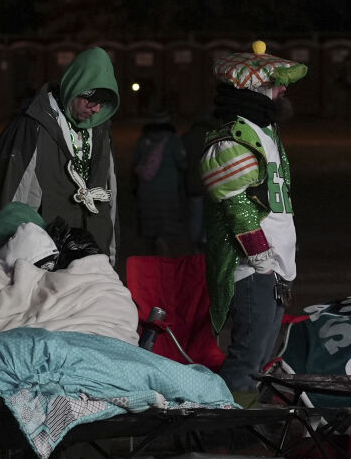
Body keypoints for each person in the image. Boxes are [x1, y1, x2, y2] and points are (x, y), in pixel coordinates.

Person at [199, 42, 307, 395]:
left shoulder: (266, 132)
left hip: (275, 266)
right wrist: (260, 255)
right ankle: (224, 432)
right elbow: (234, 203)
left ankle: (246, 428)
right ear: (256, 88)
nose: (284, 89)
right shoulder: (233, 139)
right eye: (276, 83)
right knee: (247, 360)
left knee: (259, 360)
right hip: (252, 268)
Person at [0, 45, 121, 262]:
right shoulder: (32, 126)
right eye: (91, 100)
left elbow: (111, 193)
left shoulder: (100, 131)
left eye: (102, 103)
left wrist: (109, 253)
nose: (96, 109)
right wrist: (14, 257)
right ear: (74, 87)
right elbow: (14, 199)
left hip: (92, 253)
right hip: (45, 252)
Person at [130, 105, 191, 255]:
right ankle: (163, 245)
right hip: (168, 190)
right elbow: (182, 163)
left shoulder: (143, 139)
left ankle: (151, 247)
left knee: (150, 220)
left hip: (146, 190)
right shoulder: (173, 141)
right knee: (166, 220)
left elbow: (135, 162)